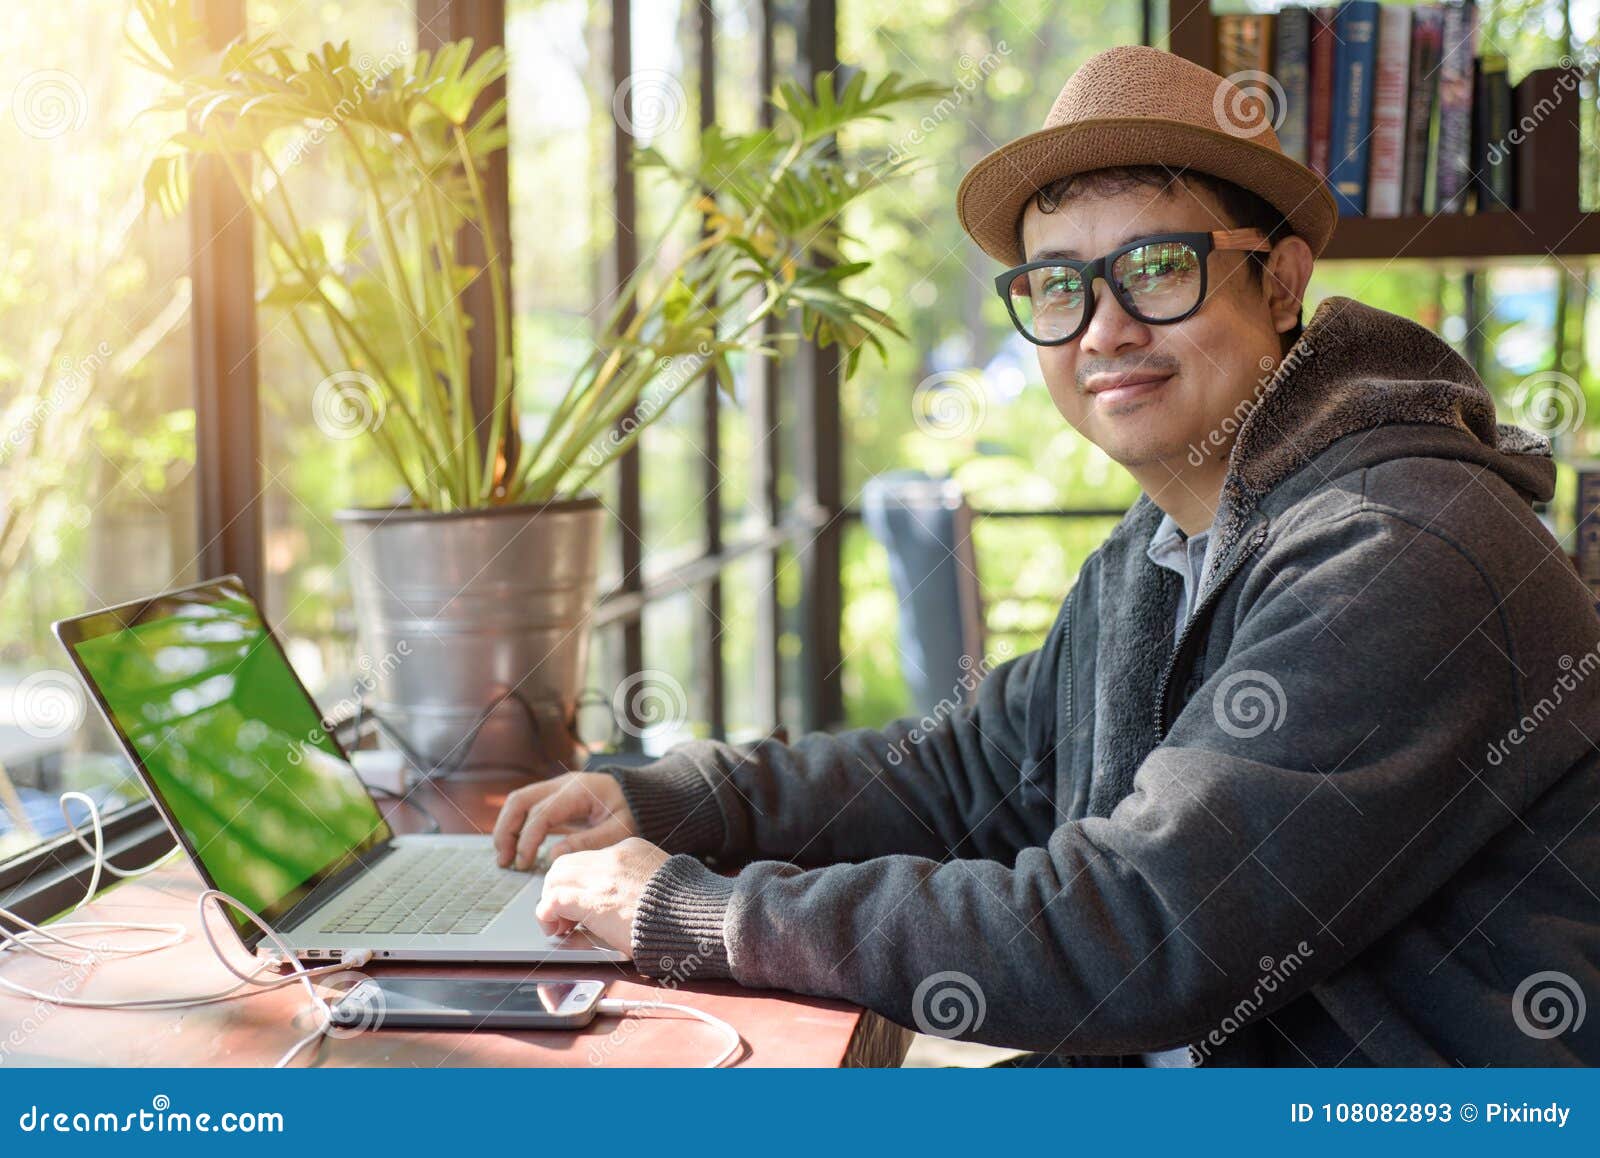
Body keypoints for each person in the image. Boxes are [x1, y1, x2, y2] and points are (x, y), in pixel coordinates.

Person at [493, 44, 1600, 1066]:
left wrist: (701, 911)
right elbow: (969, 771)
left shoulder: (1396, 549)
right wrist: (679, 800)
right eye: (1059, 288)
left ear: (1279, 280)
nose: (1103, 330)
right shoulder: (1164, 548)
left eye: (1155, 268)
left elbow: (1135, 930)